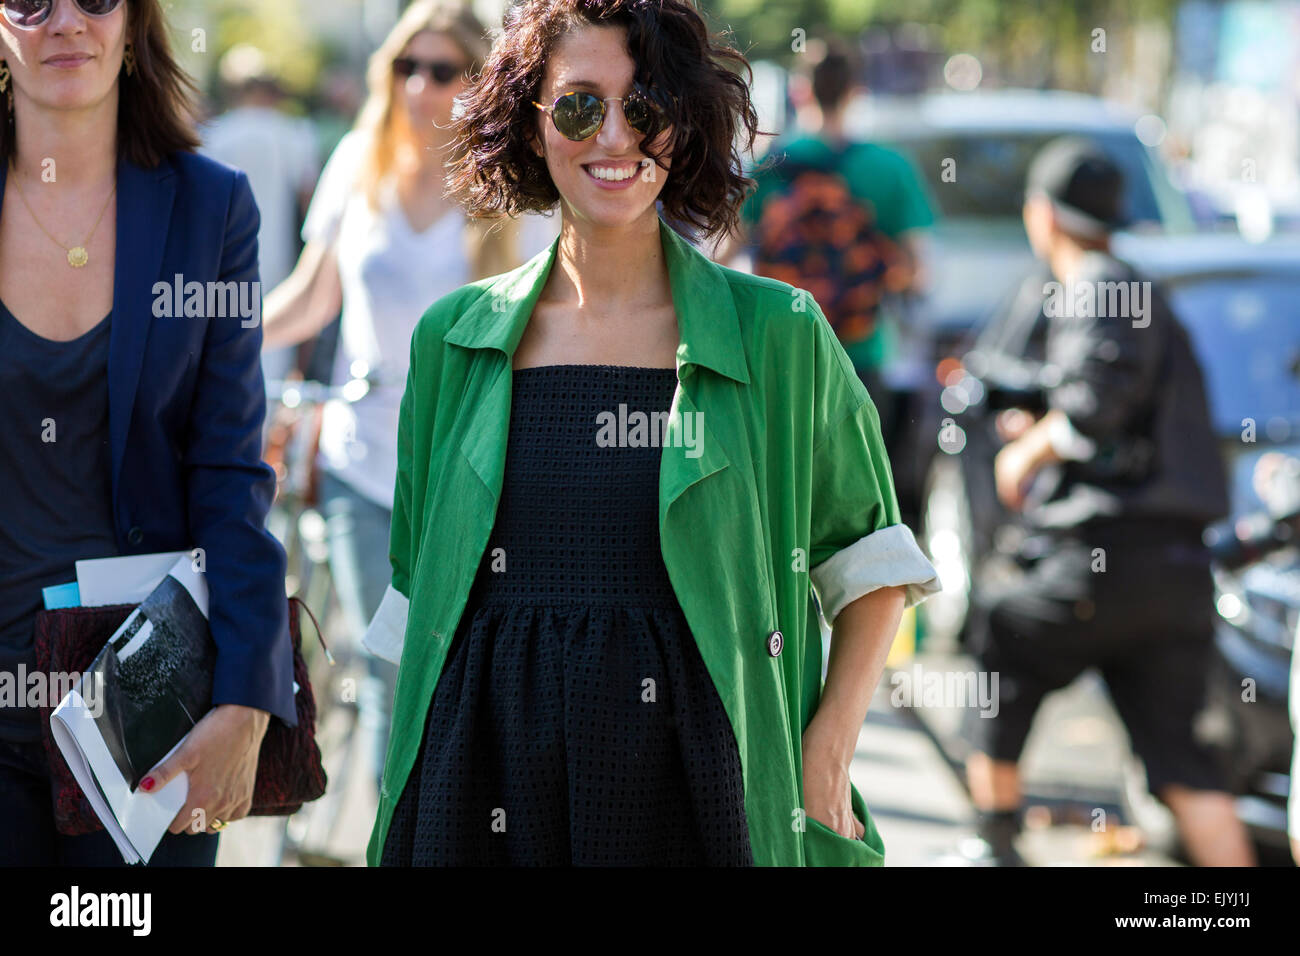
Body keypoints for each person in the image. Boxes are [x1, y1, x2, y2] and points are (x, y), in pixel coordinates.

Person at [362, 0, 940, 867]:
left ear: (687, 128)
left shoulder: (777, 332)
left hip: (702, 791)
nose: (616, 135)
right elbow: (418, 606)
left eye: (649, 107)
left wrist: (824, 754)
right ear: (530, 121)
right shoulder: (452, 339)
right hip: (481, 788)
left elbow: (873, 567)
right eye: (580, 104)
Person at [0, 0, 295, 865]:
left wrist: (248, 691)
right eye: (30, 0)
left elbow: (230, 468)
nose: (67, 22)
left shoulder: (212, 209)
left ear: (135, 24)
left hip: (140, 717)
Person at [261, 0, 531, 795]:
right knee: (388, 667)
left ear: (476, 82)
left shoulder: (502, 183)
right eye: (405, 67)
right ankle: (397, 837)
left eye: (443, 70)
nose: (419, 86)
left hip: (471, 465)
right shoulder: (357, 161)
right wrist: (209, 339)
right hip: (360, 457)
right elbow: (312, 297)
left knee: (464, 669)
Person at [963, 137, 1255, 866]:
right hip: (1176, 573)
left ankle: (991, 844)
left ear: (1042, 216)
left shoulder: (1096, 281)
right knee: (1185, 766)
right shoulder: (1123, 284)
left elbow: (1094, 404)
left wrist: (1028, 448)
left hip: (1103, 558)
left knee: (999, 632)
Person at [724, 39, 935, 441]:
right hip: (861, 358)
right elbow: (918, 274)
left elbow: (719, 261)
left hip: (780, 360)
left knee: (785, 494)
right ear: (856, 92)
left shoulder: (768, 166)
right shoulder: (890, 169)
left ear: (800, 91)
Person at [201, 44, 320, 386]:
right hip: (279, 258)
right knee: (275, 367)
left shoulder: (213, 136)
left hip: (223, 261)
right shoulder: (295, 133)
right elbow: (307, 203)